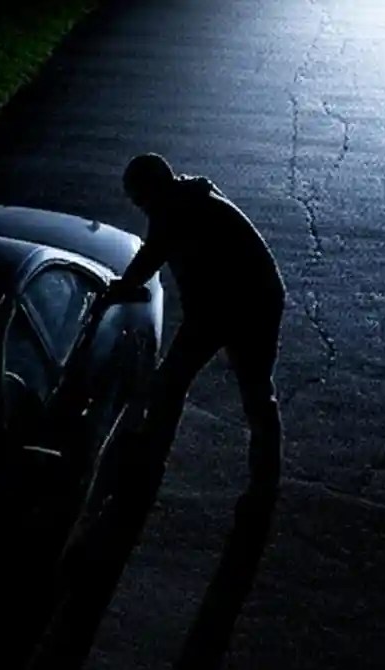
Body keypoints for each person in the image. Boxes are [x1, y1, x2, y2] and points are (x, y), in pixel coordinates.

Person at [104, 152, 287, 503]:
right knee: (251, 392)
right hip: (239, 299)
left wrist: (120, 288)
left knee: (187, 384)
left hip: (244, 305)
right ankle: (264, 480)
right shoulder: (188, 196)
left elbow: (149, 258)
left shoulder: (172, 211)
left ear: (152, 189)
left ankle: (152, 459)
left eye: (138, 199)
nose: (139, 207)